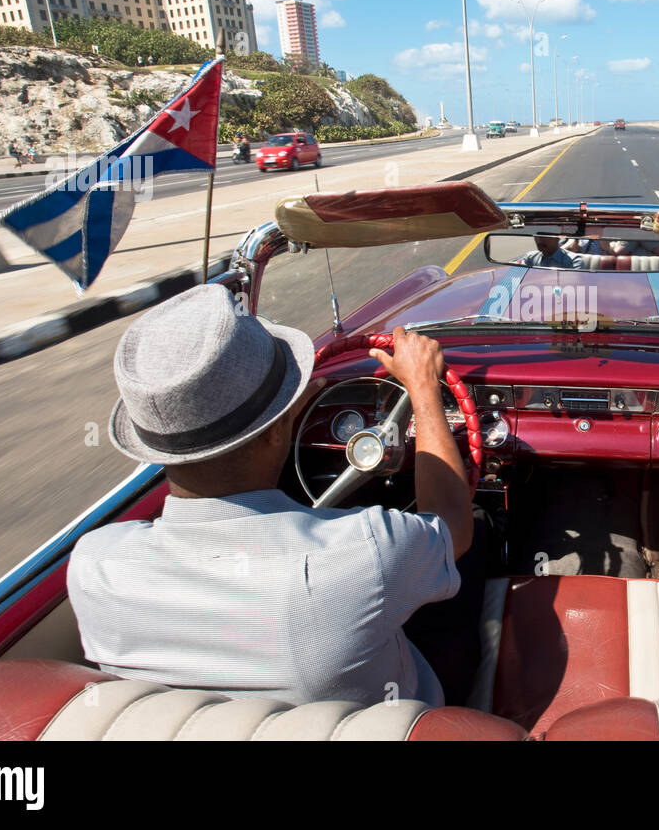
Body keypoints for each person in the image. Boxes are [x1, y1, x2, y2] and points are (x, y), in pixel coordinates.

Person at [67, 285, 483, 707]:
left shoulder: (94, 565)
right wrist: (424, 390)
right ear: (276, 431)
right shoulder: (370, 551)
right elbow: (452, 523)